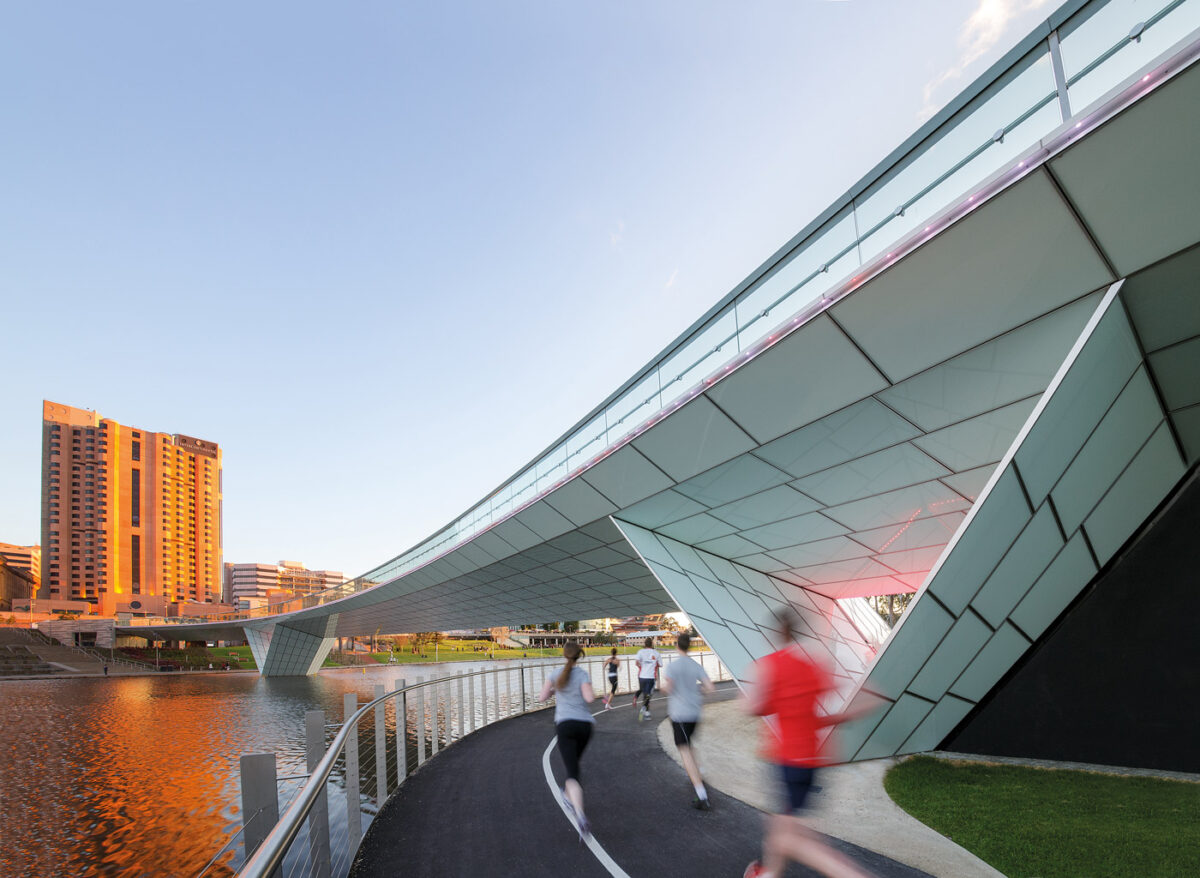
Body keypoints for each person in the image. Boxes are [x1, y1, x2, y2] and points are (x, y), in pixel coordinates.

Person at [742, 608, 876, 878]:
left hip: (786, 761)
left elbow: (752, 707)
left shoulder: (771, 665)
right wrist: (855, 711)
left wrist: (766, 700)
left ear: (776, 633)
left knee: (790, 839)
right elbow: (817, 714)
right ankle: (767, 874)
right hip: (810, 762)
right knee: (782, 829)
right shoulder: (811, 666)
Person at [538, 641, 596, 841]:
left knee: (572, 773)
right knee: (574, 768)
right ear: (579, 655)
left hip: (565, 726)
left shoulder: (555, 674)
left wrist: (555, 691)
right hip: (585, 727)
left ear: (564, 654)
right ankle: (568, 796)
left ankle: (579, 814)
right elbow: (590, 698)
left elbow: (541, 698)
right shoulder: (583, 674)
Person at [660, 632, 715, 809]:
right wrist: (696, 693)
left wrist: (661, 688)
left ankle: (701, 795)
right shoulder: (695, 665)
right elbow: (710, 687)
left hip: (680, 714)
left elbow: (669, 688)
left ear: (677, 646)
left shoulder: (673, 666)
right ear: (688, 646)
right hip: (695, 713)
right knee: (689, 746)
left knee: (684, 750)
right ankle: (700, 773)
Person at [632, 639, 661, 720]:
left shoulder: (640, 652)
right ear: (652, 644)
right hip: (651, 677)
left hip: (642, 676)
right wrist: (652, 664)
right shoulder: (656, 653)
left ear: (645, 644)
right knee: (648, 695)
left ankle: (646, 710)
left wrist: (642, 667)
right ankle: (645, 710)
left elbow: (636, 663)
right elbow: (660, 664)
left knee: (645, 693)